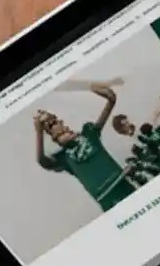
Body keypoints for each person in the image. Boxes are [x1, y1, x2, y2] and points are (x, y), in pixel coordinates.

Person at [34, 82, 135, 211]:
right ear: (53, 138)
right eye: (53, 125)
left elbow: (110, 103)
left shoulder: (89, 134)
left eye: (59, 122)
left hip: (124, 185)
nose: (62, 125)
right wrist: (39, 132)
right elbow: (42, 161)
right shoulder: (63, 158)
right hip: (108, 200)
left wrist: (109, 97)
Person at [112, 93, 160, 188]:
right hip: (153, 165)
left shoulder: (139, 131)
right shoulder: (127, 143)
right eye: (125, 125)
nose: (128, 125)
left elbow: (153, 118)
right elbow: (137, 160)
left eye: (127, 122)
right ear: (120, 129)